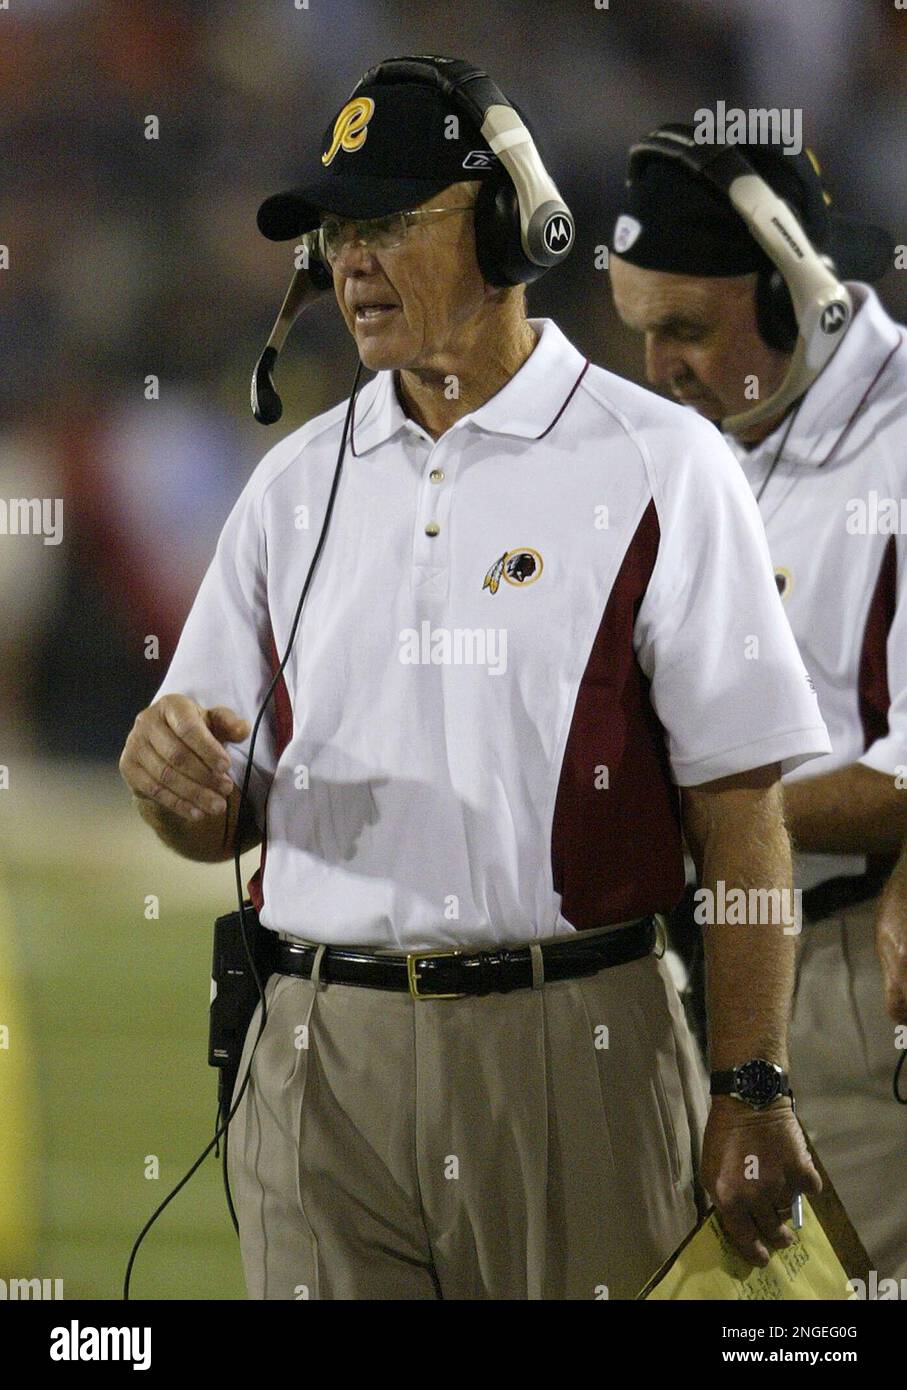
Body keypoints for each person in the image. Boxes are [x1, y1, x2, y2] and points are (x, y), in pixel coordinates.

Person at [119, 62, 830, 1300]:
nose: (351, 260)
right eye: (338, 232)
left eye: (391, 221)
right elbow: (213, 800)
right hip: (313, 1050)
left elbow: (740, 813)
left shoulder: (662, 464)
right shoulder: (291, 487)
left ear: (516, 225)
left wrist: (752, 1084)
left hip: (573, 1048)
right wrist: (175, 785)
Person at [609, 124, 907, 1278]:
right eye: (639, 328)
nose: (658, 367)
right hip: (716, 980)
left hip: (842, 978)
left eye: (684, 327)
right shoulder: (725, 442)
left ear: (797, 295)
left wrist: (701, 824)